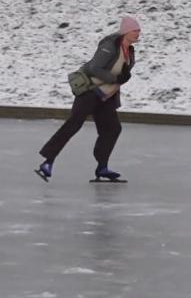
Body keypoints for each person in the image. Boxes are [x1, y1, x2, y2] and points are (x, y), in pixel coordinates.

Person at [37, 15, 141, 182]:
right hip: (90, 93)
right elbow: (94, 68)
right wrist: (115, 78)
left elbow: (122, 74)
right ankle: (47, 162)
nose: (138, 33)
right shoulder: (110, 46)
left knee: (112, 129)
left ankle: (102, 167)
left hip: (106, 97)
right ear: (126, 32)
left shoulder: (129, 51)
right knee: (73, 125)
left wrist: (124, 77)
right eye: (135, 30)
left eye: (139, 30)